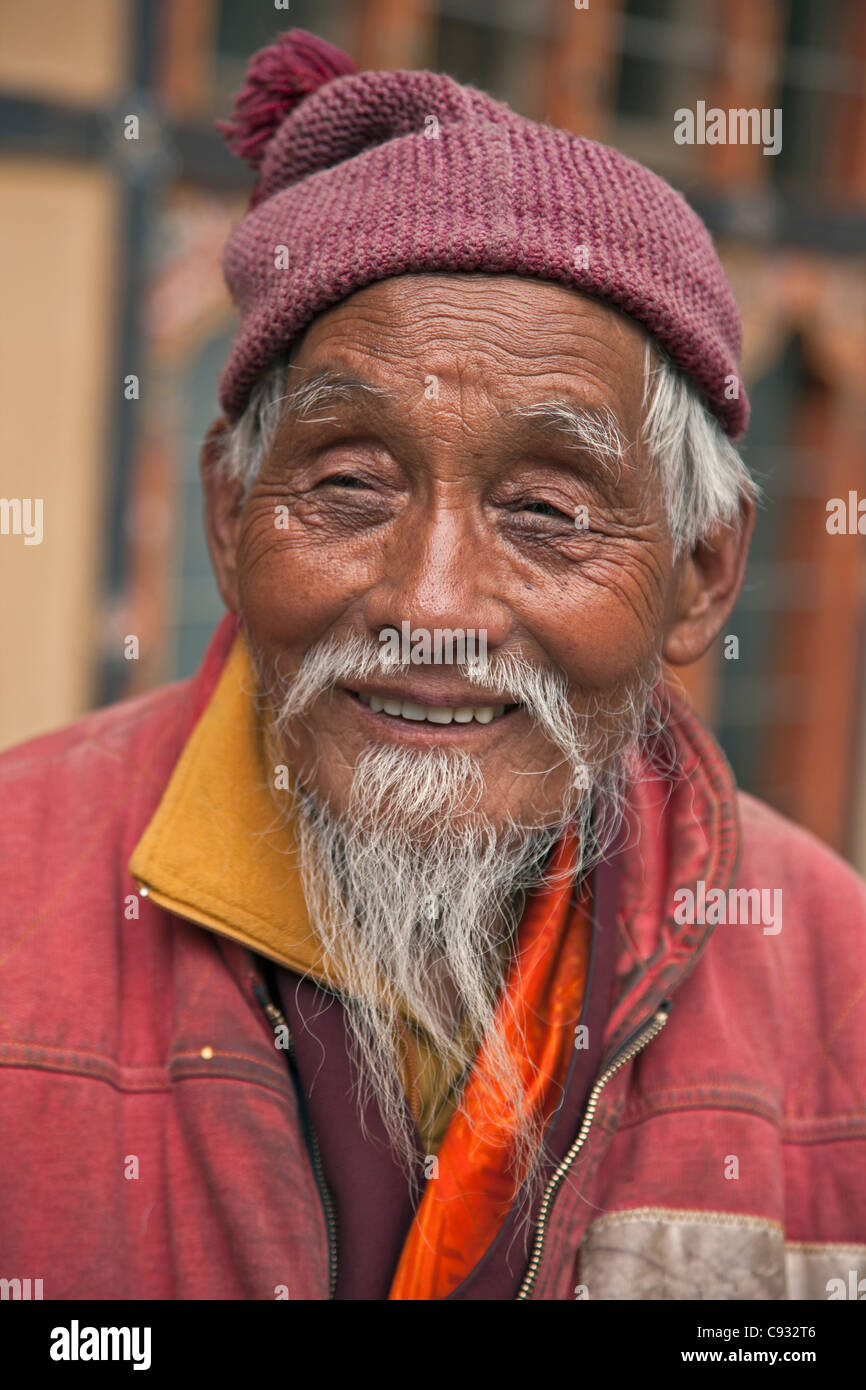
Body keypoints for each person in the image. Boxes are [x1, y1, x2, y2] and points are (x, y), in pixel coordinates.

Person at [1, 29, 864, 1302]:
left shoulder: (835, 990)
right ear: (229, 521)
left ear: (700, 577)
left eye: (548, 510)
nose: (432, 602)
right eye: (348, 483)